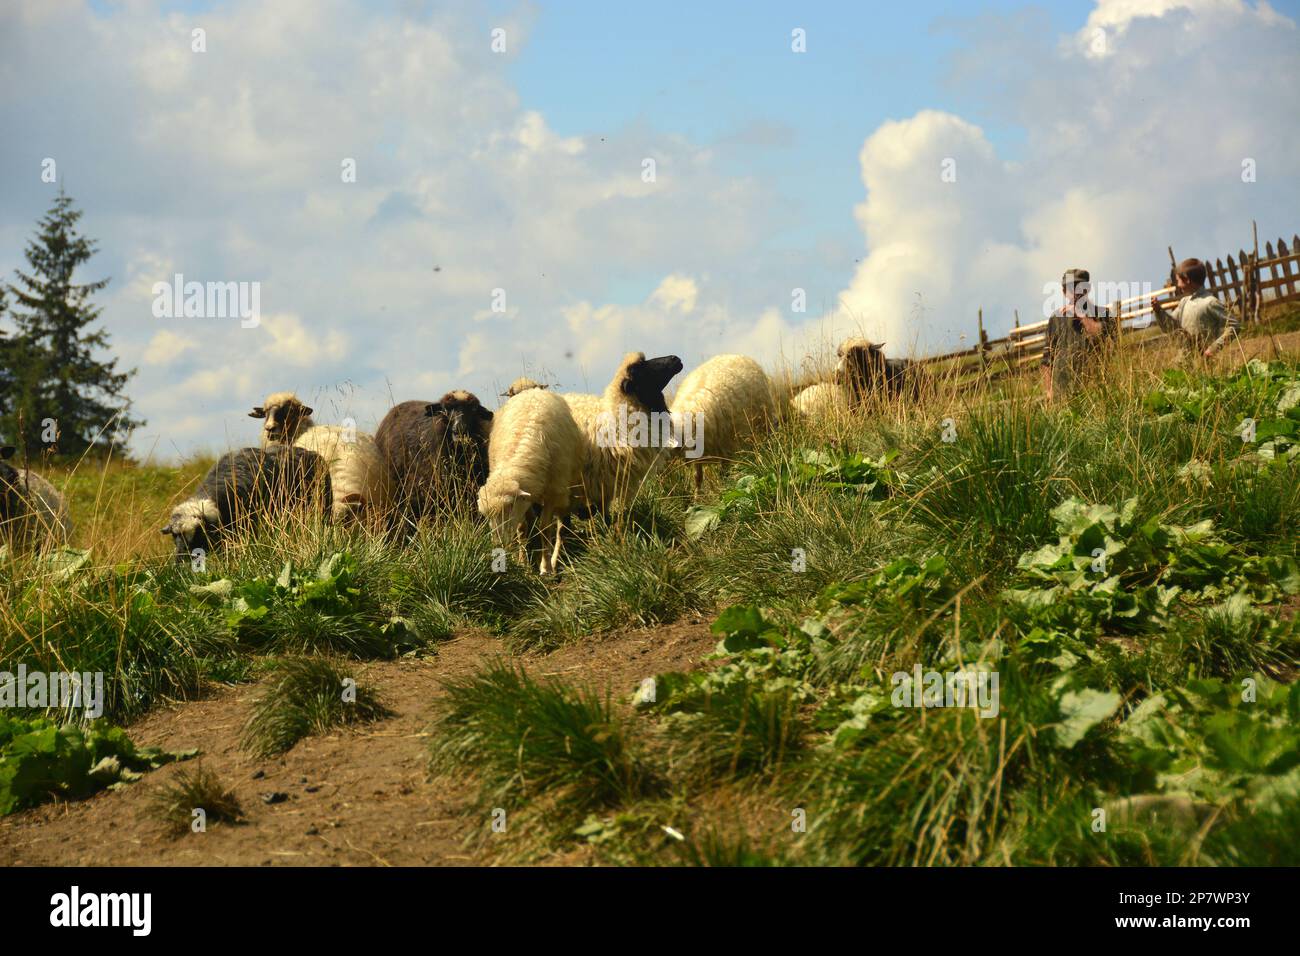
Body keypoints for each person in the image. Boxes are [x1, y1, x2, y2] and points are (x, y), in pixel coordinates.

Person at [1041, 268, 1117, 400]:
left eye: (1079, 286)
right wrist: (1049, 391)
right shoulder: (1056, 319)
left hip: (1097, 389)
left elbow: (1098, 333)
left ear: (1087, 289)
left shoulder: (1104, 314)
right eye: (1070, 288)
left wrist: (1081, 315)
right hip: (1063, 391)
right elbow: (1047, 360)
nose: (1075, 292)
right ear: (1064, 292)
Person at [1149, 258, 1238, 359]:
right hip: (1183, 363)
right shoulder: (1184, 302)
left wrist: (1213, 348)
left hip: (1206, 364)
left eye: (1178, 280)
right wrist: (1158, 311)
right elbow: (1171, 327)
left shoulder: (1210, 302)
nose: (1177, 285)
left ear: (1187, 280)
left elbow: (1234, 326)